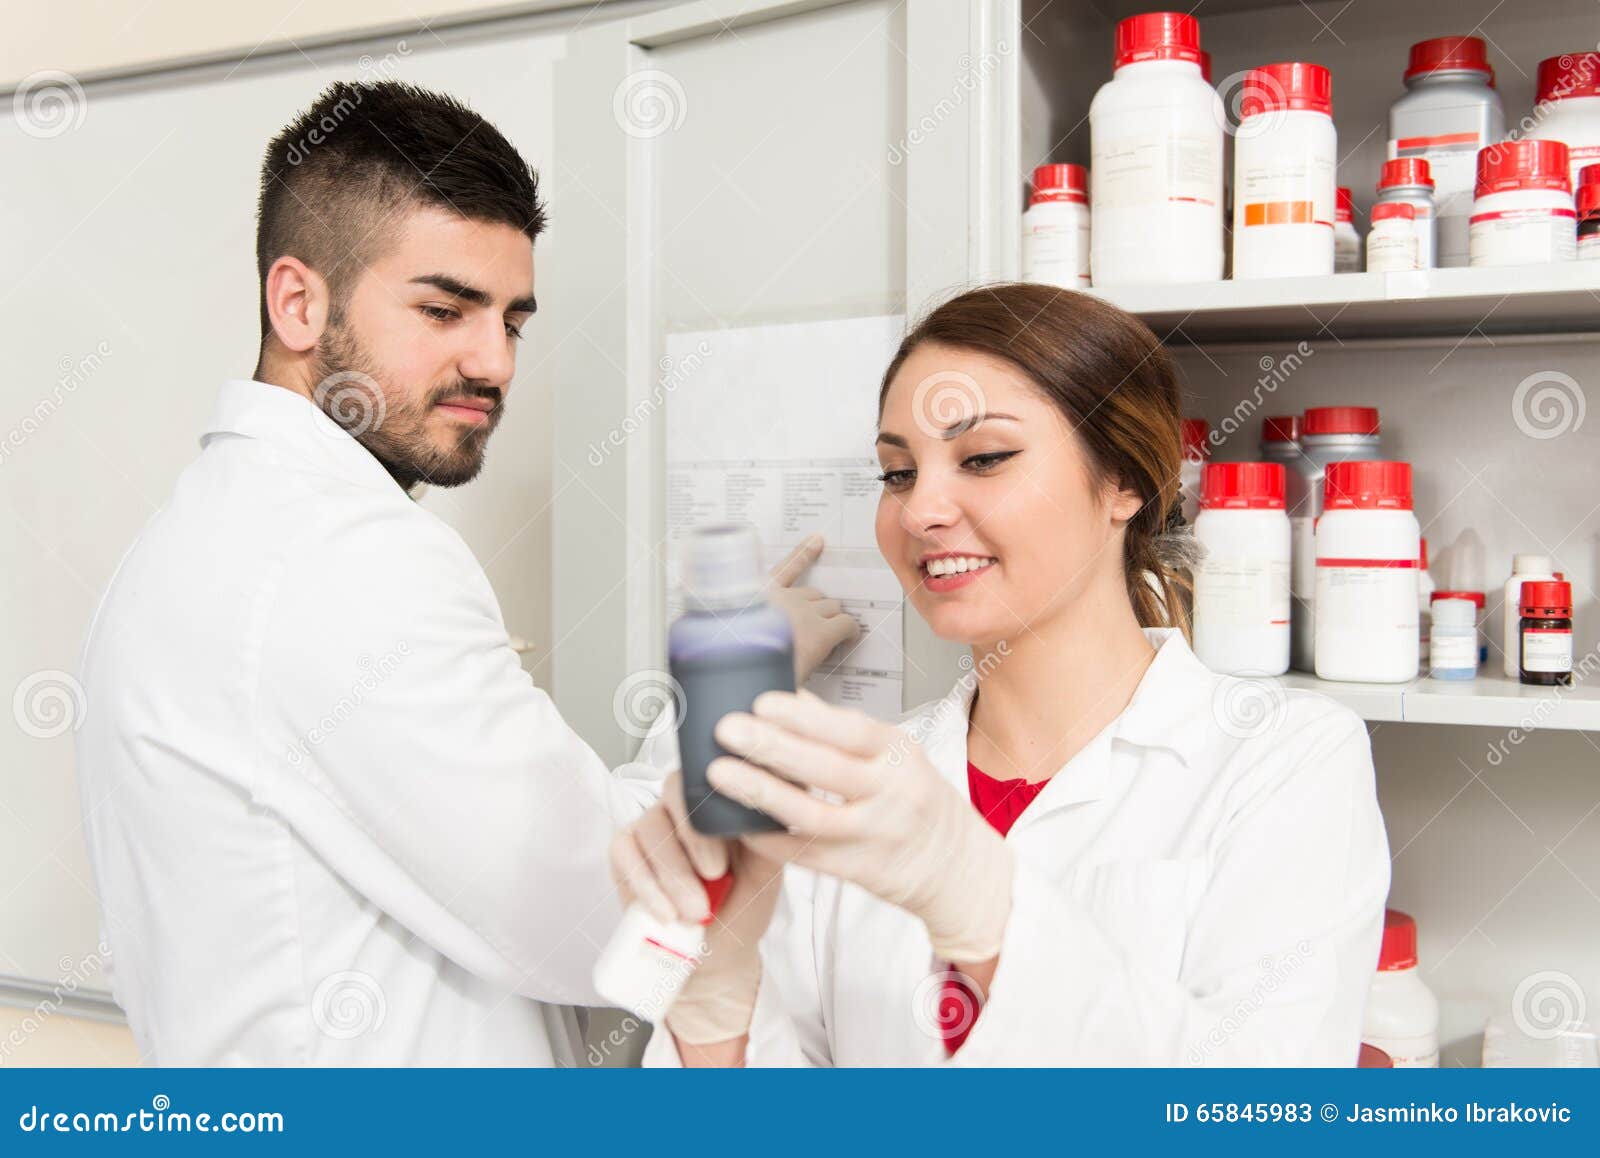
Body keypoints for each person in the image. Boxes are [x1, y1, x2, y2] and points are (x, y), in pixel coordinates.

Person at [73, 80, 858, 1065]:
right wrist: (742, 676)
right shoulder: (345, 560)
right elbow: (608, 920)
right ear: (298, 301)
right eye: (445, 309)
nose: (493, 362)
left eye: (512, 321)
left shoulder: (190, 538)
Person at [612, 284, 1391, 1066]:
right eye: (896, 473)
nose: (920, 512)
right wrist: (718, 1004)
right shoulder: (857, 781)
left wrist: (979, 904)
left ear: (1123, 479)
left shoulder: (1284, 760)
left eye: (984, 458)